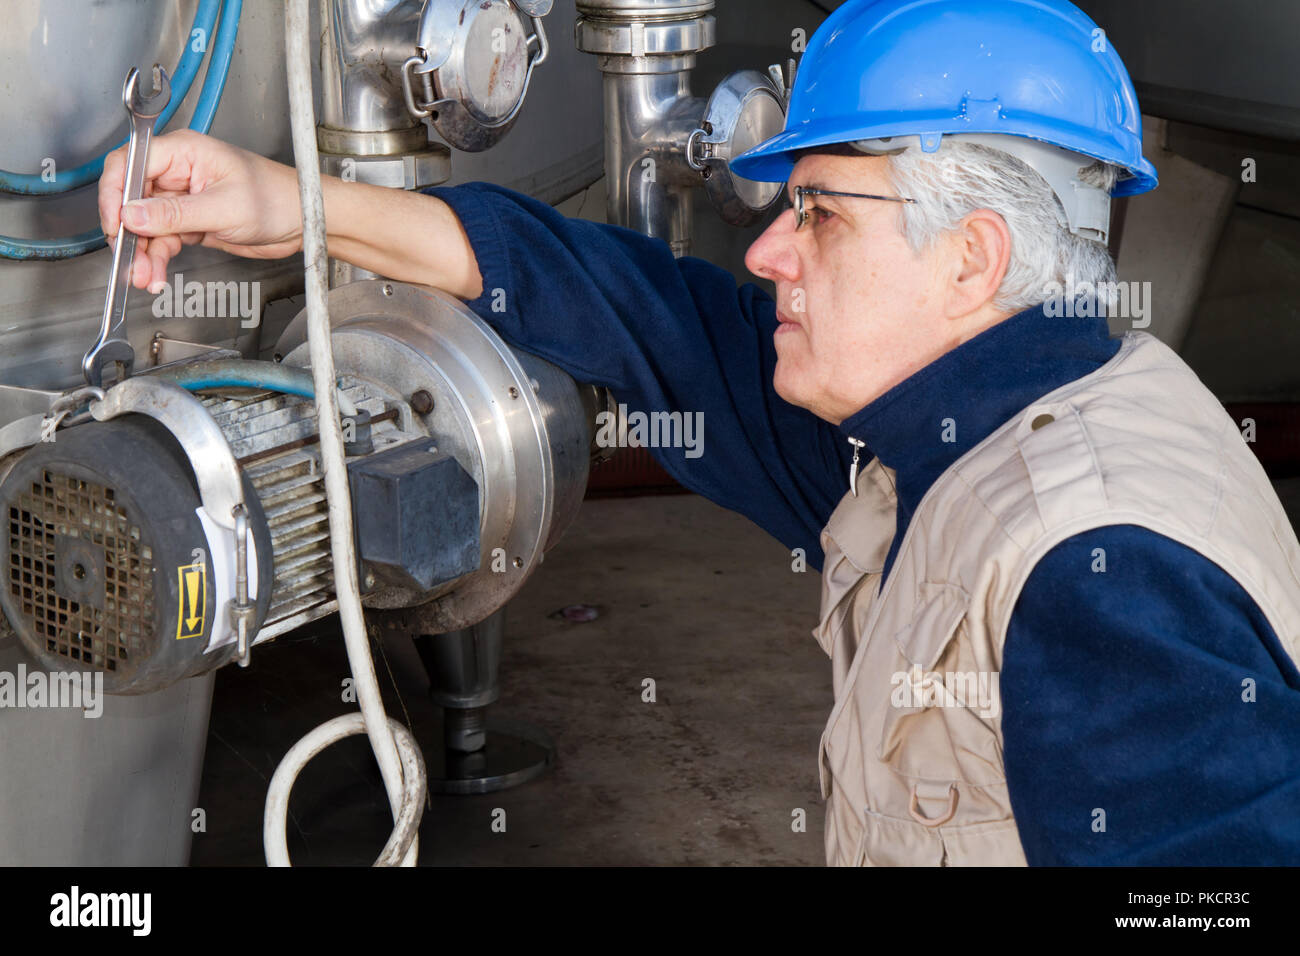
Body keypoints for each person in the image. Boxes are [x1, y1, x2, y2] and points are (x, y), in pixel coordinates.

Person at [99, 0, 1300, 865]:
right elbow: (646, 313)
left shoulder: (1098, 574)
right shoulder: (941, 430)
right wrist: (292, 207)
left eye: (820, 214)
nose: (768, 248)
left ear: (971, 256)